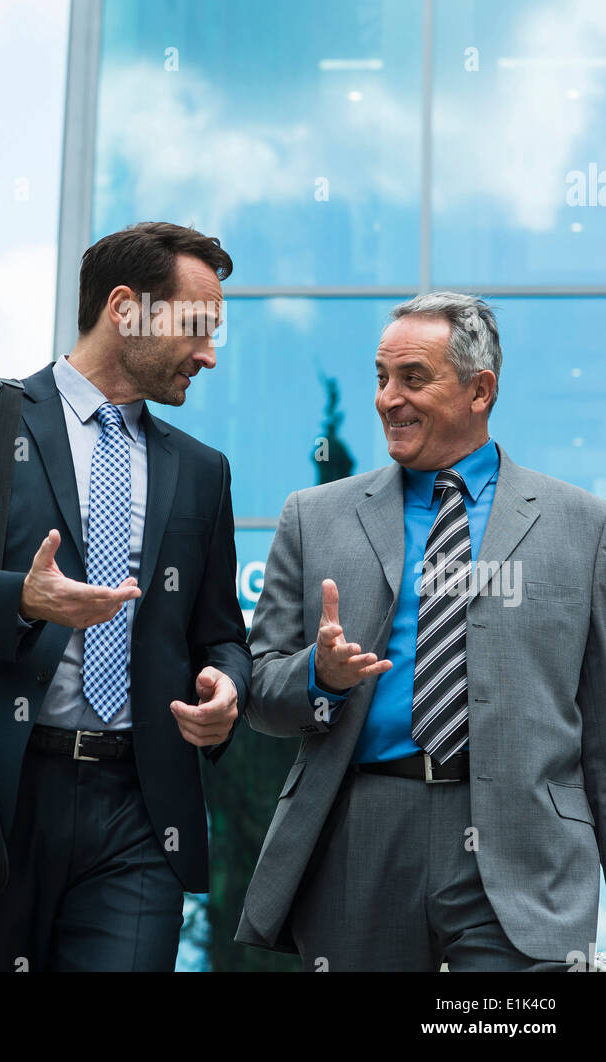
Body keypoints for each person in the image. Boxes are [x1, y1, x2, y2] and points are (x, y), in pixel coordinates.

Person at [0, 221, 251, 971]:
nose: (208, 355)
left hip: (139, 810)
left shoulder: (203, 471)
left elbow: (220, 634)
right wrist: (21, 599)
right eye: (197, 328)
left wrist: (225, 684)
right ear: (124, 309)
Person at [235, 292, 605, 972]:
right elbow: (260, 694)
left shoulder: (581, 524)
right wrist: (322, 677)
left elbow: (601, 725)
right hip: (364, 834)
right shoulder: (312, 517)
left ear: (478, 389)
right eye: (379, 377)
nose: (386, 399)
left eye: (411, 378)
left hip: (526, 846)